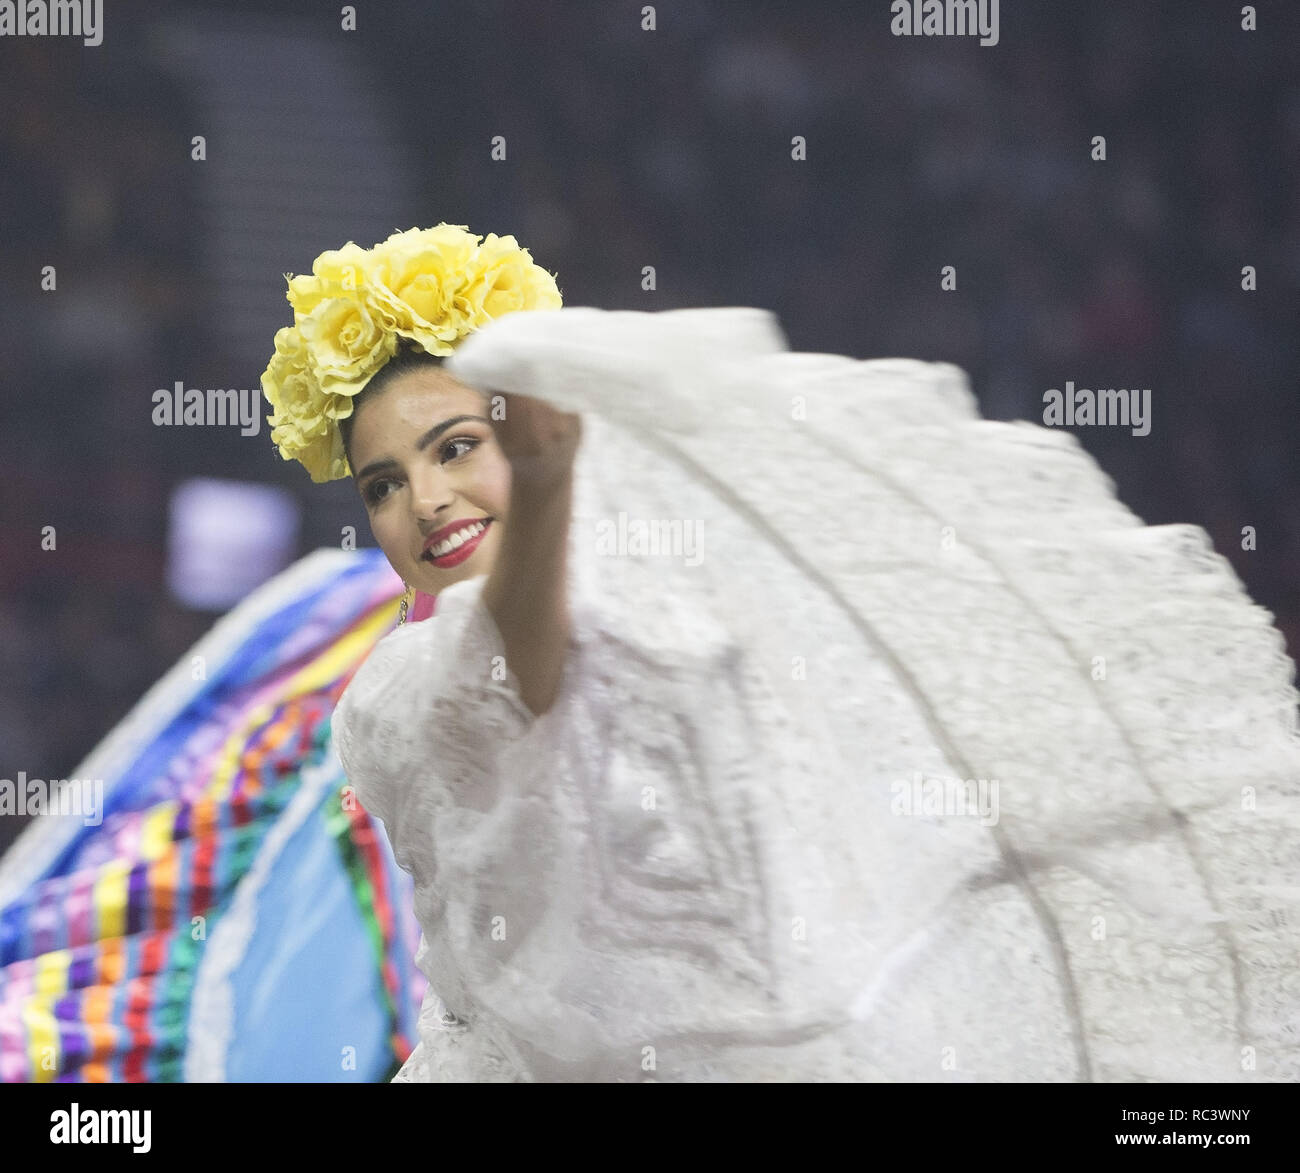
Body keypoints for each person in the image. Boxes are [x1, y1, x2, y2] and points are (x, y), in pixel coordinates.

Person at [267, 223, 1300, 1083]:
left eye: (455, 447)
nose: (425, 500)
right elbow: (506, 681)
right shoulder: (397, 696)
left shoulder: (672, 622)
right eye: (384, 485)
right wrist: (542, 482)